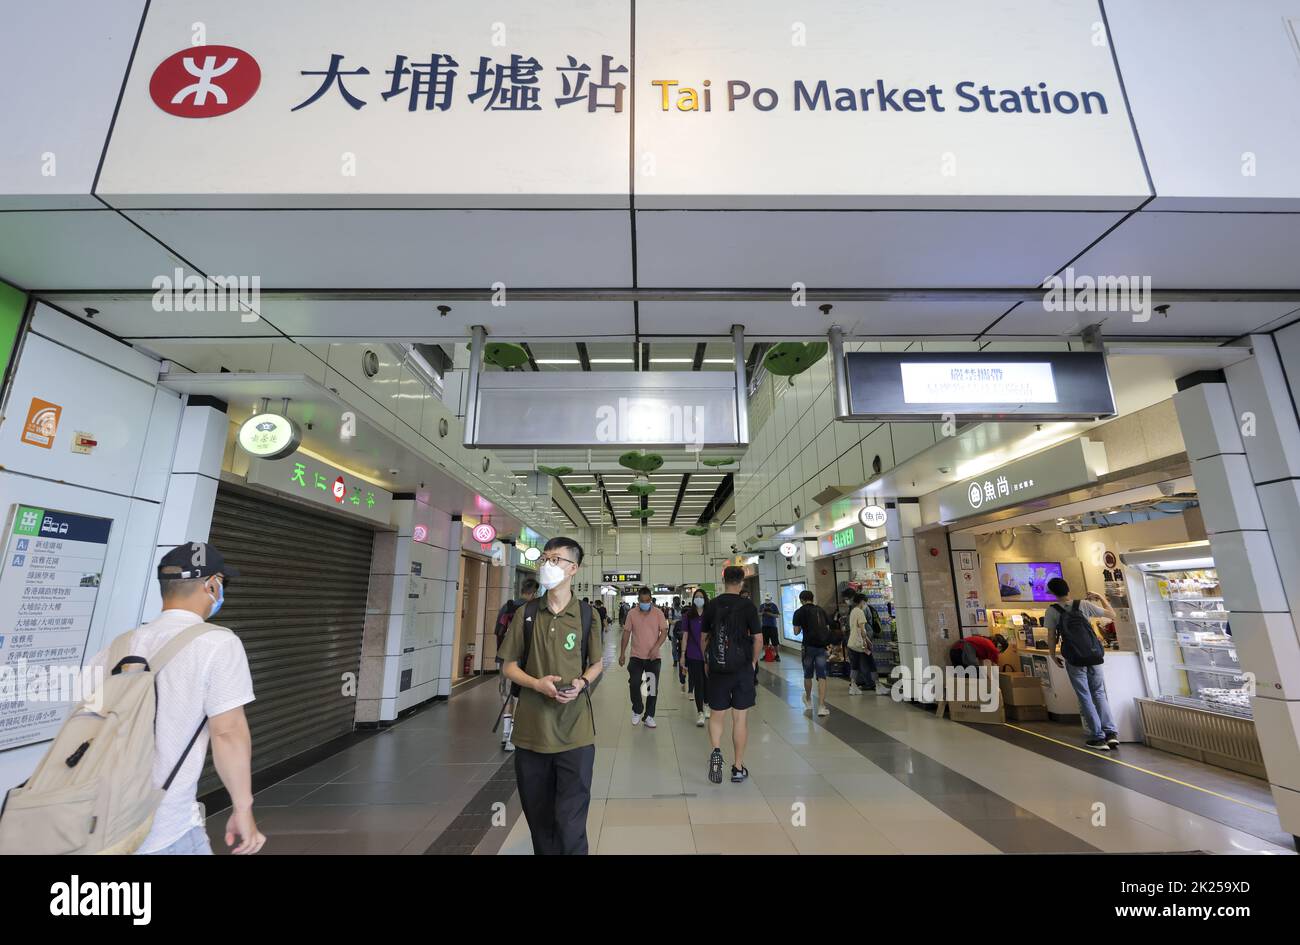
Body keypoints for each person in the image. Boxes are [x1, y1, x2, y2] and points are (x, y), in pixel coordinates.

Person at [83, 542, 262, 855]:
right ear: (211, 585)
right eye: (222, 583)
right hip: (165, 827)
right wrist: (242, 809)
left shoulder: (117, 647)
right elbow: (228, 732)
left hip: (98, 823)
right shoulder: (218, 644)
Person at [499, 537, 604, 855]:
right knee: (540, 824)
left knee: (571, 823)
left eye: (556, 559)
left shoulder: (587, 615)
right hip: (532, 734)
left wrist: (582, 683)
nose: (548, 565)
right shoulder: (526, 614)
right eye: (544, 559)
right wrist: (536, 684)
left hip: (576, 735)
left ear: (574, 568)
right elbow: (509, 667)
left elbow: (597, 663)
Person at [1044, 577, 1119, 751]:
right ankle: (1111, 733)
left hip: (1075, 658)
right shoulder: (1084, 605)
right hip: (1093, 655)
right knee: (1099, 693)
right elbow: (1112, 615)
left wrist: (1052, 655)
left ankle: (1098, 737)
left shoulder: (1052, 611)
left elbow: (1051, 635)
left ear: (1052, 593)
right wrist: (1100, 596)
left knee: (1084, 695)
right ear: (1068, 589)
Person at [702, 567, 763, 783]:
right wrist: (754, 662)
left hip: (718, 668)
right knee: (740, 718)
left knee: (717, 715)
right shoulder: (747, 605)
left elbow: (704, 638)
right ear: (742, 581)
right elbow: (758, 638)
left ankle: (717, 750)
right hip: (741, 668)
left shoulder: (712, 605)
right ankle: (738, 767)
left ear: (723, 580)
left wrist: (708, 661)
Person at [497, 579, 540, 752]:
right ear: (534, 593)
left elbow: (498, 633)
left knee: (506, 695)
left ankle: (506, 733)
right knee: (519, 697)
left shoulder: (507, 607)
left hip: (506, 660)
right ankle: (513, 737)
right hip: (526, 662)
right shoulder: (534, 610)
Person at [620, 586, 668, 728]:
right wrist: (622, 653)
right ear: (638, 600)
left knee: (652, 688)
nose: (645, 603)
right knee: (634, 683)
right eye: (642, 601)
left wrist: (656, 648)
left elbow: (664, 632)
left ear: (651, 599)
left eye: (647, 600)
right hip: (636, 656)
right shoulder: (632, 614)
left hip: (653, 658)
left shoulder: (658, 613)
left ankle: (649, 716)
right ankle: (637, 709)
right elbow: (626, 633)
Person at [792, 589, 833, 717]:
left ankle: (808, 700)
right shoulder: (820, 610)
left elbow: (796, 632)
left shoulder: (799, 612)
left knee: (807, 675)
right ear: (812, 598)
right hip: (821, 647)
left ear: (801, 600)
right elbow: (827, 628)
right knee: (822, 676)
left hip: (808, 647)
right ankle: (821, 706)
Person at [678, 589, 710, 726]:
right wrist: (683, 655)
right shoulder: (688, 616)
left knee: (708, 681)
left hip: (708, 654)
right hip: (693, 653)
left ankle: (707, 704)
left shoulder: (710, 614)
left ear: (705, 599)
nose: (698, 599)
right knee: (698, 683)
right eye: (696, 597)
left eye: (701, 597)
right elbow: (685, 635)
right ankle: (700, 712)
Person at [846, 594, 877, 695]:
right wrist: (866, 641)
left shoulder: (853, 611)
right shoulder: (860, 612)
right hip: (861, 644)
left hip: (852, 642)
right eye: (865, 602)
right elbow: (862, 629)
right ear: (862, 601)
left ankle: (853, 685)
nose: (865, 604)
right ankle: (877, 684)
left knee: (854, 665)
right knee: (871, 663)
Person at [759, 593, 781, 660]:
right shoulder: (762, 606)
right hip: (764, 626)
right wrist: (763, 612)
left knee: (775, 642)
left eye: (768, 599)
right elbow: (758, 613)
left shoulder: (774, 606)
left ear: (771, 599)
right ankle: (766, 654)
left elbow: (777, 615)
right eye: (766, 599)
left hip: (773, 626)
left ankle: (777, 655)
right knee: (765, 642)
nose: (767, 600)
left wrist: (770, 614)